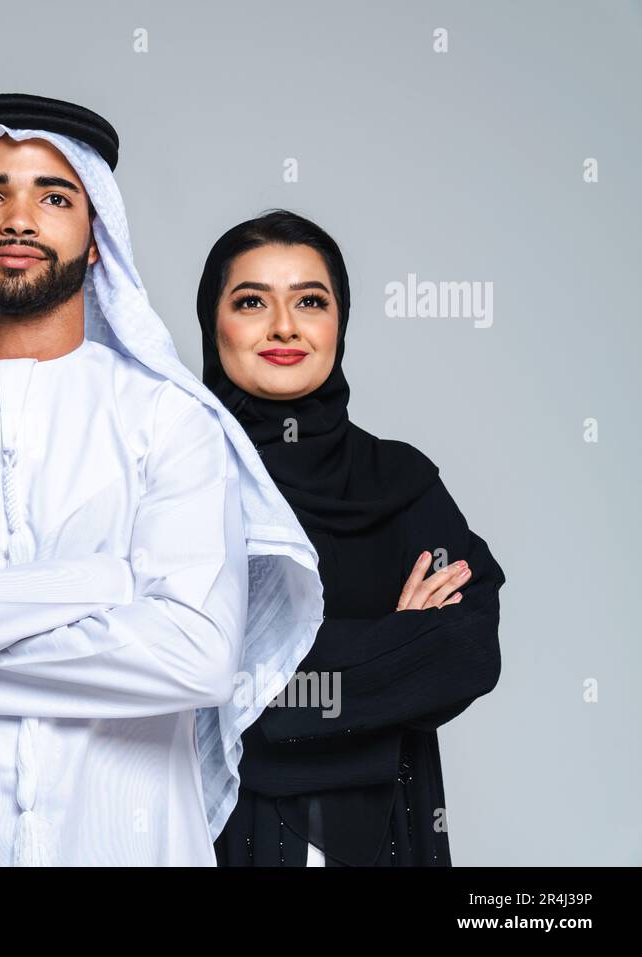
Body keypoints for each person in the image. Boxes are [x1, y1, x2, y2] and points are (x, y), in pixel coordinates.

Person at [0, 93, 325, 866]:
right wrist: (103, 584)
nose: (18, 218)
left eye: (53, 194)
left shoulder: (170, 419)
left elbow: (195, 651)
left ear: (98, 236)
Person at [198, 210, 504, 866]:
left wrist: (281, 667)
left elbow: (470, 648)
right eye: (252, 301)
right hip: (221, 830)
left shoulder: (398, 479)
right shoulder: (178, 477)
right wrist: (399, 648)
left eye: (311, 300)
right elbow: (198, 669)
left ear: (340, 321)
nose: (285, 325)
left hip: (391, 830)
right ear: (211, 323)